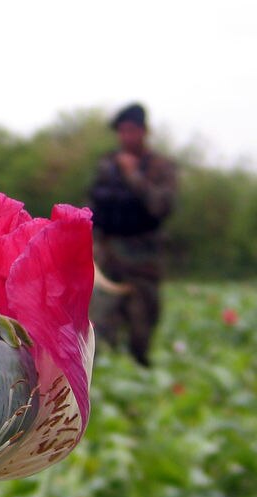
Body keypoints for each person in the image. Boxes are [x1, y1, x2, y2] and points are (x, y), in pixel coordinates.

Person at [87, 103, 177, 366]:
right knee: (98, 329)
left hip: (142, 262)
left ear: (144, 131)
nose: (126, 137)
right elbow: (93, 204)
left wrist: (133, 175)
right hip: (108, 258)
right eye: (122, 131)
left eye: (131, 130)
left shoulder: (161, 167)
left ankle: (139, 378)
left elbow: (161, 206)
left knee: (141, 334)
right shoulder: (107, 164)